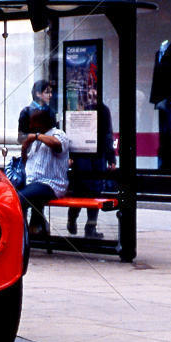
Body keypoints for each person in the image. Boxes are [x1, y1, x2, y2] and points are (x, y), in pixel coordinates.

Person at [67, 84, 115, 238]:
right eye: (89, 91)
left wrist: (111, 157)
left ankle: (90, 227)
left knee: (94, 192)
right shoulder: (79, 108)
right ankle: (73, 218)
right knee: (80, 191)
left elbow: (108, 135)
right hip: (82, 155)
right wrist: (70, 155)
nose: (92, 94)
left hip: (97, 156)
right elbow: (72, 133)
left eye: (95, 91)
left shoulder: (103, 110)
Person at [17, 107, 70, 237]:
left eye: (32, 122)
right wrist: (24, 148)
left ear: (41, 122)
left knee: (19, 199)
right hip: (33, 182)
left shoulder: (58, 134)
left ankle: (23, 234)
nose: (30, 126)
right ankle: (33, 227)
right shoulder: (36, 140)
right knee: (11, 196)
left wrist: (37, 136)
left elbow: (57, 144)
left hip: (50, 184)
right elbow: (26, 162)